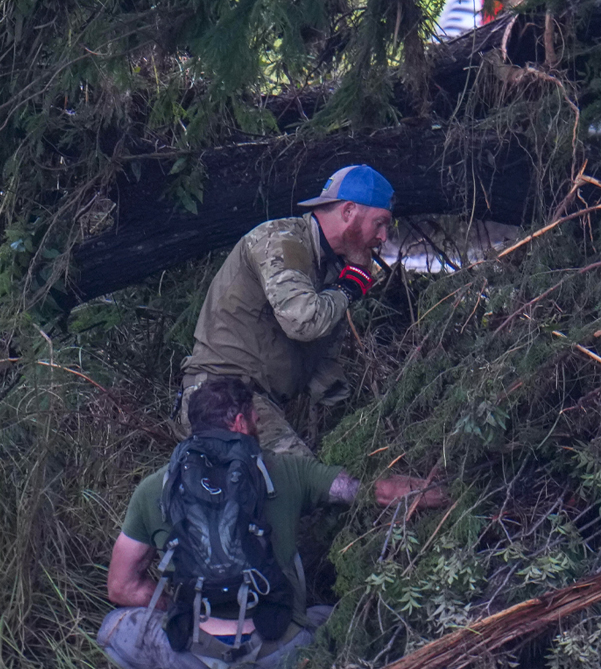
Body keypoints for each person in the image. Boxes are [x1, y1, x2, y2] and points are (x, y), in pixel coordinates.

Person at [99, 379, 442, 669]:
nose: (258, 426)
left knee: (113, 628)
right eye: (255, 417)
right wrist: (439, 493)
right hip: (279, 649)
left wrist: (175, 611)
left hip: (196, 654)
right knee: (336, 615)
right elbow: (372, 492)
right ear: (238, 421)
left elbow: (120, 586)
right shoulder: (287, 471)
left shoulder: (155, 487)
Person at [177, 165, 394, 457]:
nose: (383, 237)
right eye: (379, 223)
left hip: (256, 401)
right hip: (219, 396)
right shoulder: (280, 242)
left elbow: (321, 357)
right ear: (348, 212)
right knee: (304, 484)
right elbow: (303, 322)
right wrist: (346, 292)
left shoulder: (330, 265)